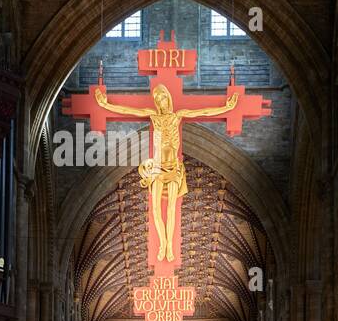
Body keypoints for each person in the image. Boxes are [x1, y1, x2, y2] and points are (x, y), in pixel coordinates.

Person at [94, 83, 238, 261]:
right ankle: (162, 244)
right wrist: (105, 105)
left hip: (173, 169)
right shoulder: (153, 116)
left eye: (162, 97)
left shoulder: (178, 116)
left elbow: (203, 112)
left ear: (168, 98)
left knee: (171, 209)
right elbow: (128, 110)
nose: (160, 101)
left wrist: (227, 107)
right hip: (156, 168)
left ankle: (169, 245)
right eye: (157, 99)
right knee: (155, 209)